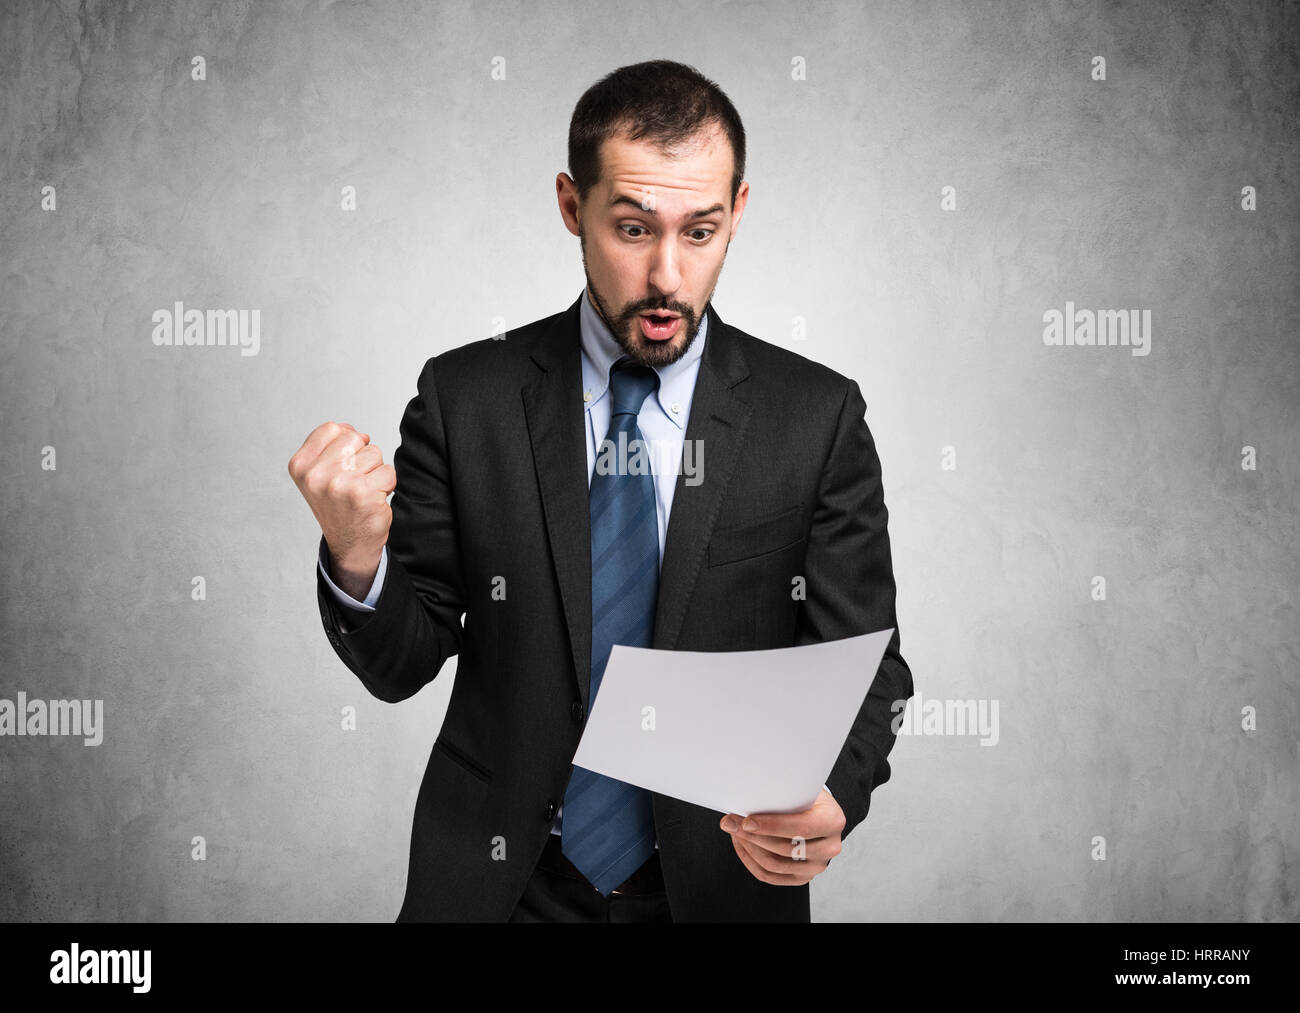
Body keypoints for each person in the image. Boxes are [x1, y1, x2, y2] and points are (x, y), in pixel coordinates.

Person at [288, 59, 912, 922]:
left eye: (700, 232)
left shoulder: (817, 416)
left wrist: (835, 795)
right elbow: (403, 661)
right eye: (632, 229)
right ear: (571, 207)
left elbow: (868, 661)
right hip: (499, 890)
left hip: (719, 891)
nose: (666, 277)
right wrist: (357, 556)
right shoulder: (465, 398)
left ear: (737, 214)